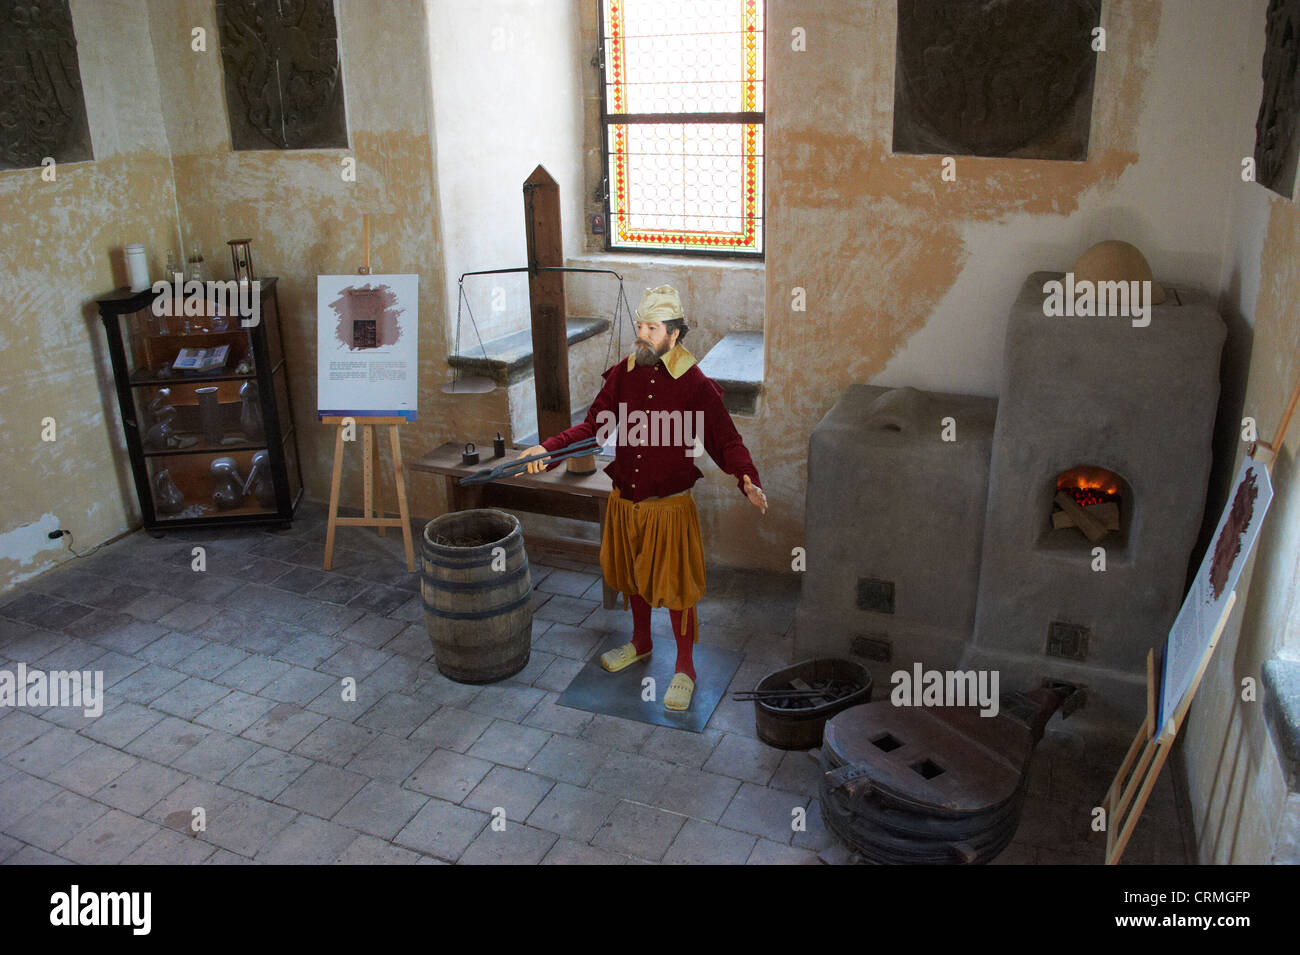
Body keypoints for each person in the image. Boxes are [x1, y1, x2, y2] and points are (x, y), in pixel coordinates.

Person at [517, 285, 767, 712]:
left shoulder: (695, 385)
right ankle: (641, 642)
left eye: (652, 328)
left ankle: (685, 667)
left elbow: (725, 441)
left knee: (677, 589)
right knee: (633, 577)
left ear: (674, 333)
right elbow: (594, 428)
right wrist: (549, 447)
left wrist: (746, 477)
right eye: (639, 326)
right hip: (624, 500)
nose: (643, 334)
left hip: (668, 508)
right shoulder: (622, 374)